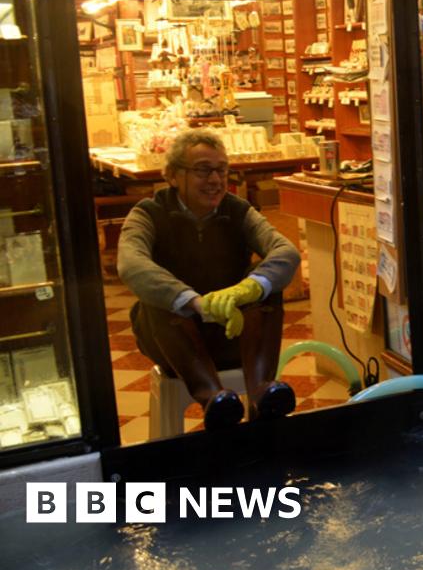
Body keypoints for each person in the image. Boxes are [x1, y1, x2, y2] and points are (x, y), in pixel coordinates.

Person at [118, 130, 300, 431]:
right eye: (203, 170)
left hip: (231, 336)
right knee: (158, 296)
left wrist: (250, 287)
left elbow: (286, 251)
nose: (216, 180)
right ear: (173, 175)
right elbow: (131, 263)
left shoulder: (237, 210)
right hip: (173, 344)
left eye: (222, 170)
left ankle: (261, 392)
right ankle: (213, 400)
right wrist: (193, 302)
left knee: (267, 284)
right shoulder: (149, 213)